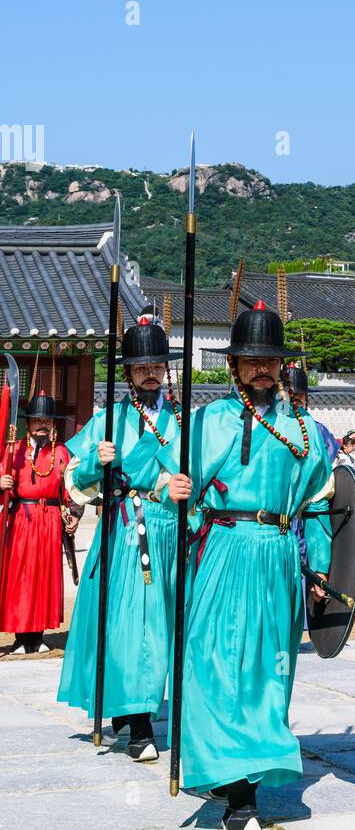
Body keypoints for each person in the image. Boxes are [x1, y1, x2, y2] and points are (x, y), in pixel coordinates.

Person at [163, 300, 334, 830]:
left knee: (266, 672)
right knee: (212, 663)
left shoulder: (303, 428)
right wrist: (175, 491)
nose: (263, 367)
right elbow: (173, 483)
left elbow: (324, 503)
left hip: (278, 552)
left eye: (271, 359)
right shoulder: (208, 420)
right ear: (235, 363)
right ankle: (231, 785)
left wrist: (323, 571)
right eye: (252, 358)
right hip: (223, 547)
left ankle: (246, 784)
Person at [57, 317, 182, 761]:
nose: (150, 372)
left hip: (167, 531)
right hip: (124, 527)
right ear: (127, 372)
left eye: (157, 365)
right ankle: (140, 724)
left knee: (156, 626)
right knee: (130, 625)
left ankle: (132, 714)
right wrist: (96, 459)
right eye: (140, 366)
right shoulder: (109, 418)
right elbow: (72, 480)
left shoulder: (180, 420)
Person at [0, 393, 83, 655]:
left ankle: (38, 635)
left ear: (54, 424)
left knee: (44, 576)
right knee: (20, 578)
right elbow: (3, 483)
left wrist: (74, 514)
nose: (42, 425)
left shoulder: (62, 452)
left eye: (47, 420)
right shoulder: (14, 449)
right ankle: (20, 636)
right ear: (28, 424)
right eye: (37, 420)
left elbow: (73, 488)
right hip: (22, 519)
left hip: (49, 521)